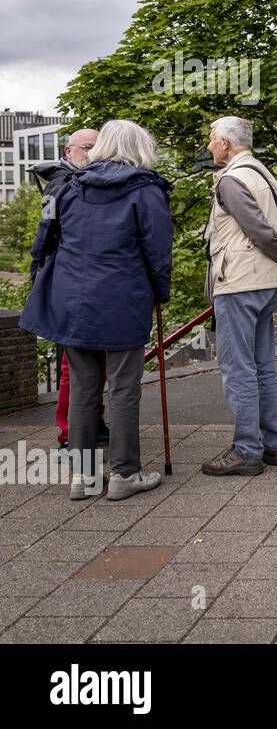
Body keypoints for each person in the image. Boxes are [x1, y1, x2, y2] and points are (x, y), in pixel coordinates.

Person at [19, 120, 172, 502]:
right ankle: (124, 473)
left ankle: (84, 478)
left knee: (85, 389)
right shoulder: (146, 189)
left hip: (72, 298)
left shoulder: (72, 185)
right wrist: (160, 292)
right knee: (123, 388)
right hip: (121, 298)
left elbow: (47, 238)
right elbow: (157, 251)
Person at [200, 117, 277, 477]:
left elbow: (266, 236)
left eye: (212, 141)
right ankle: (274, 445)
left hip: (238, 284)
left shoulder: (232, 180)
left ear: (227, 144)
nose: (209, 147)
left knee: (238, 368)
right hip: (266, 287)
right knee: (263, 366)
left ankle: (247, 450)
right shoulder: (267, 178)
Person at [28, 127, 105, 452]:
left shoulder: (86, 181)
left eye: (96, 147)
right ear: (68, 150)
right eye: (86, 147)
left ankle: (91, 424)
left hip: (85, 283)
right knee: (70, 366)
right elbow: (46, 237)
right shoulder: (62, 185)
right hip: (67, 283)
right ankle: (69, 431)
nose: (91, 153)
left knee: (93, 363)